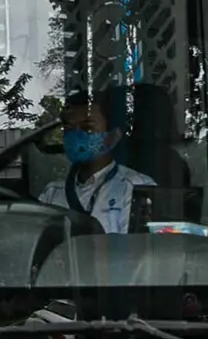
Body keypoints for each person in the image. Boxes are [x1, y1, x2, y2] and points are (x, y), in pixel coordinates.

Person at [38, 92, 154, 234]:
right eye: (69, 128)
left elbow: (142, 250)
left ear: (112, 136)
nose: (76, 135)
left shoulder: (136, 188)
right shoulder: (51, 194)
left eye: (88, 128)